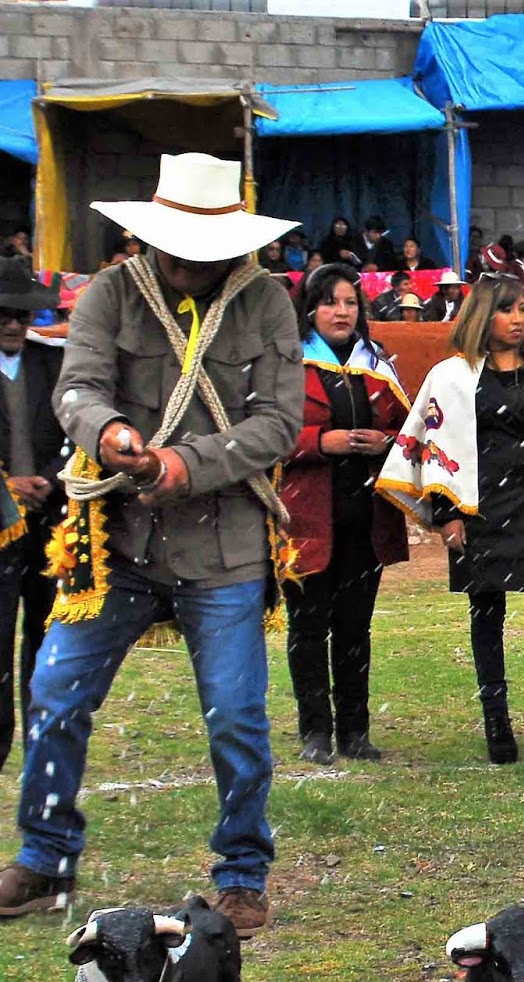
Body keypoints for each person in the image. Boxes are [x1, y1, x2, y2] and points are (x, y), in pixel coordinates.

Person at [0, 153, 303, 932]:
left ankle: (242, 872)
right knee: (54, 691)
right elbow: (77, 387)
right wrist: (107, 433)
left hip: (225, 544)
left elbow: (278, 423)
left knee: (236, 715)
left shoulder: (266, 301)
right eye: (176, 247)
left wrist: (185, 464)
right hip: (118, 543)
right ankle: (44, 857)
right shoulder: (112, 292)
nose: (186, 263)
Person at [380, 273, 524, 764]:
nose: (517, 319)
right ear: (481, 316)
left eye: (522, 309)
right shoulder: (451, 377)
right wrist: (447, 515)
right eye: (505, 309)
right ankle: (497, 723)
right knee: (486, 618)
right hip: (478, 509)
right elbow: (435, 446)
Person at [280, 264, 409, 765]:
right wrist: (319, 442)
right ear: (311, 309)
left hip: (363, 522)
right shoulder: (287, 363)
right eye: (331, 302)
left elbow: (412, 433)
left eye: (350, 302)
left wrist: (386, 441)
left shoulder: (377, 366)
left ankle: (356, 731)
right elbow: (265, 437)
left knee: (356, 628)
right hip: (305, 521)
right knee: (308, 627)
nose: (342, 312)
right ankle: (315, 730)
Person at [0, 262, 66, 772]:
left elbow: (77, 425)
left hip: (49, 521)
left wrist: (51, 476)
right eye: (2, 314)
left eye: (20, 315)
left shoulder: (54, 362)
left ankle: (41, 742)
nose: (12, 324)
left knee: (47, 642)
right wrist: (6, 485)